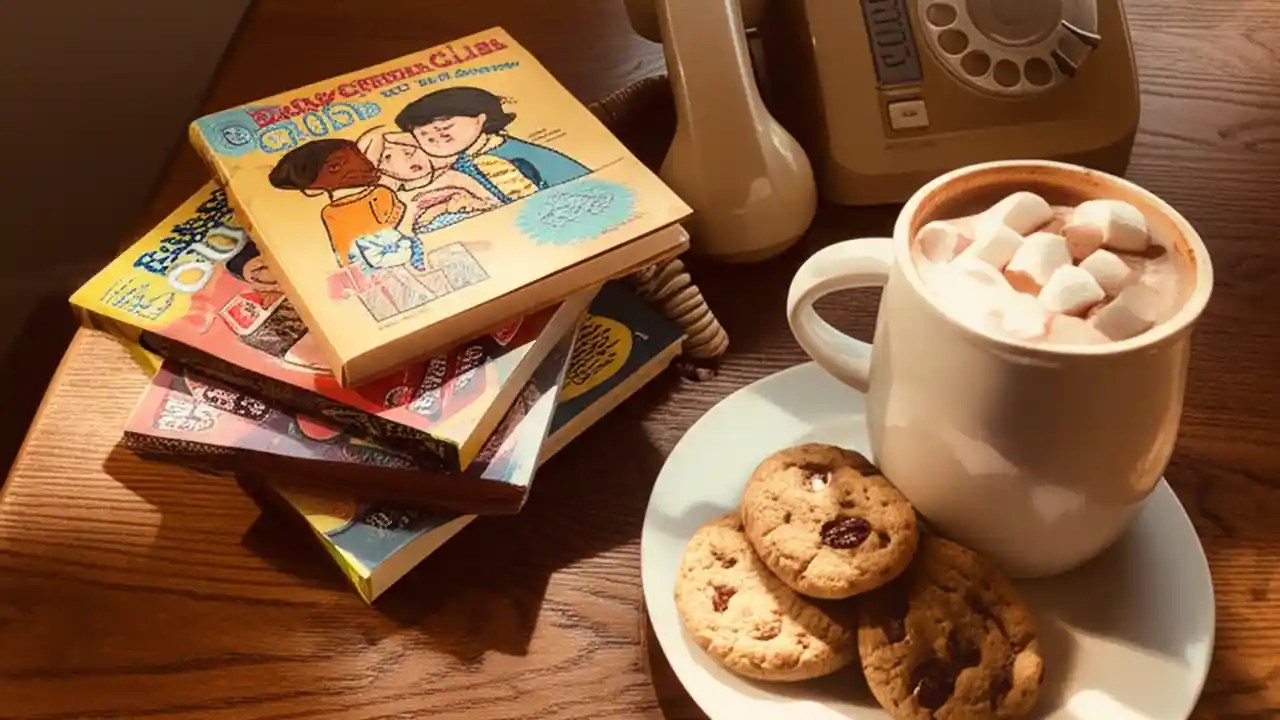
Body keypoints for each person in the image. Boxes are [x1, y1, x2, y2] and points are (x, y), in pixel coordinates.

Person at [394, 86, 589, 205]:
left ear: (480, 120)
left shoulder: (515, 157)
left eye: (445, 127)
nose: (435, 138)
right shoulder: (455, 165)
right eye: (423, 134)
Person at [268, 138, 424, 271]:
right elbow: (342, 248)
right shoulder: (332, 211)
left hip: (399, 253)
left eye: (360, 155)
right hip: (373, 263)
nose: (367, 163)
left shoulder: (378, 194)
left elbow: (401, 219)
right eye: (337, 166)